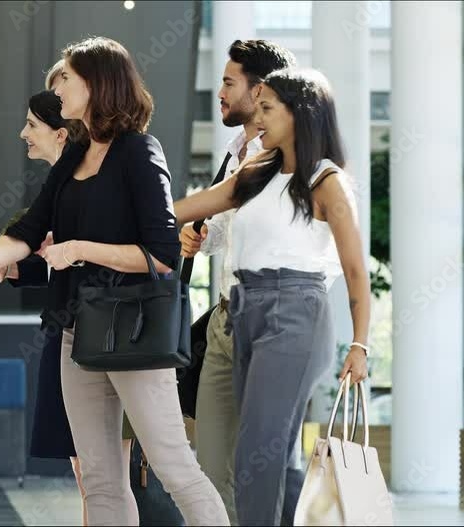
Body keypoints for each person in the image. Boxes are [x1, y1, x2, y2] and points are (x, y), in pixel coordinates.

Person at [0, 36, 229, 526]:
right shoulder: (75, 155)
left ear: (96, 85)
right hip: (78, 332)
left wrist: (79, 249)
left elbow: (162, 256)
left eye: (68, 80)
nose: (58, 92)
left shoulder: (139, 151)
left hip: (135, 331)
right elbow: (21, 237)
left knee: (175, 468)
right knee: (98, 478)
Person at [173, 68, 370, 526]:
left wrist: (360, 344)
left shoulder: (326, 181)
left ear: (300, 113)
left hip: (294, 312)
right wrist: (121, 213)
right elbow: (190, 207)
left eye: (266, 108)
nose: (256, 118)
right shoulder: (257, 171)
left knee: (257, 451)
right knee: (265, 455)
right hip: (245, 310)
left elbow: (355, 270)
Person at [179, 39, 297, 526]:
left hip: (268, 323)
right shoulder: (235, 154)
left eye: (229, 83)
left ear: (261, 90)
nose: (220, 93)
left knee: (260, 469)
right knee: (209, 468)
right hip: (224, 321)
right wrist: (198, 236)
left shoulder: (291, 160)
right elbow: (223, 227)